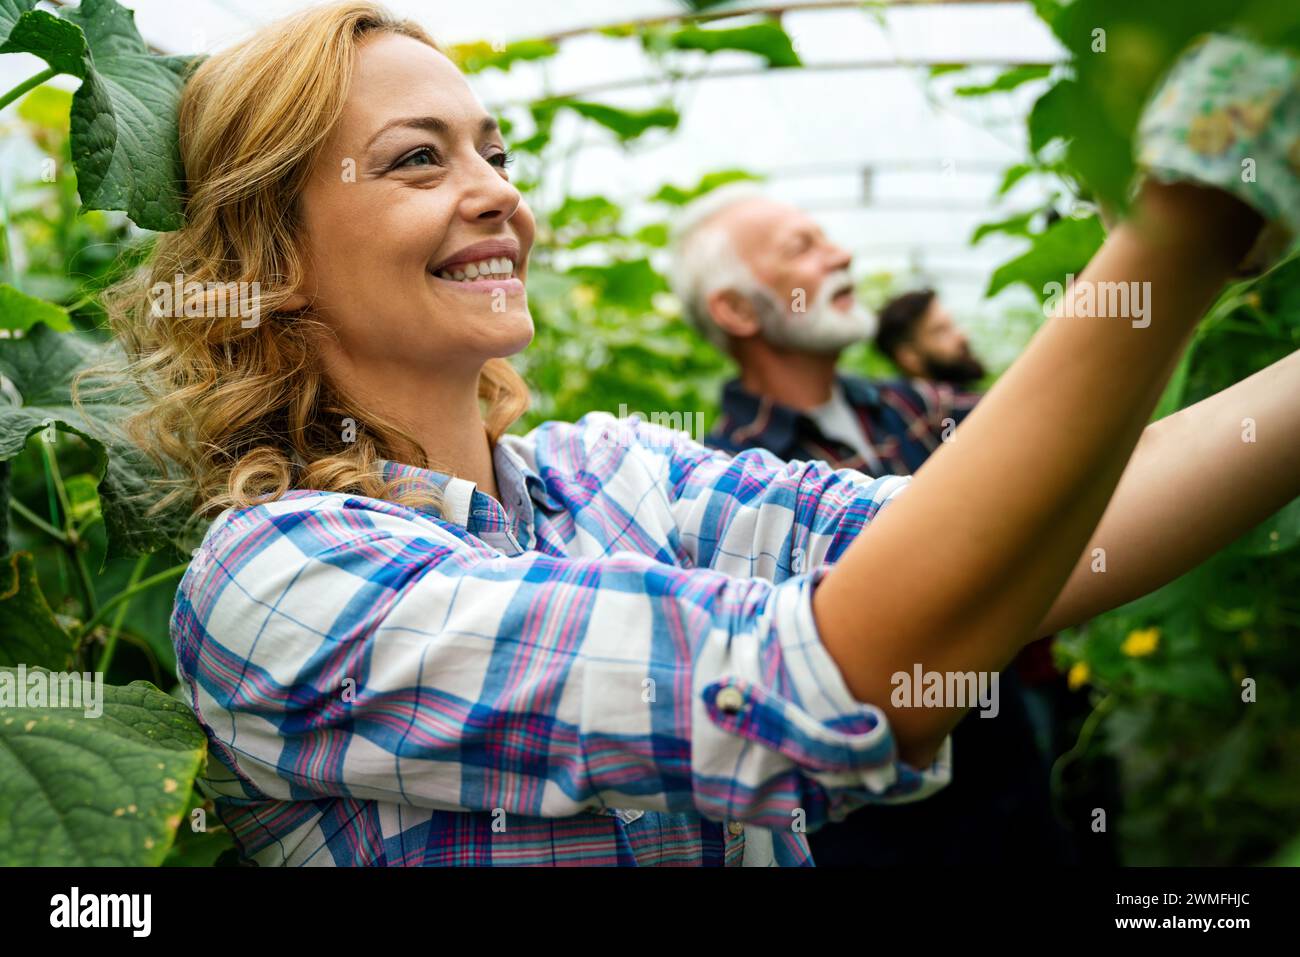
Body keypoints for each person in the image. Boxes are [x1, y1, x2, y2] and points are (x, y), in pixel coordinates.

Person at [109, 3, 1300, 866]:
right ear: (271, 257)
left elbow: (1003, 534)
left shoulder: (609, 476)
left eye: (496, 151)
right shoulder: (280, 578)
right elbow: (835, 677)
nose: (499, 194)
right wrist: (1176, 225)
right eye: (419, 158)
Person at [671, 202, 1071, 864]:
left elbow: (1056, 431)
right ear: (738, 311)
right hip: (874, 827)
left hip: (1008, 778)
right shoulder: (722, 483)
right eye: (802, 247)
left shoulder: (910, 406)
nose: (840, 255)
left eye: (829, 238)